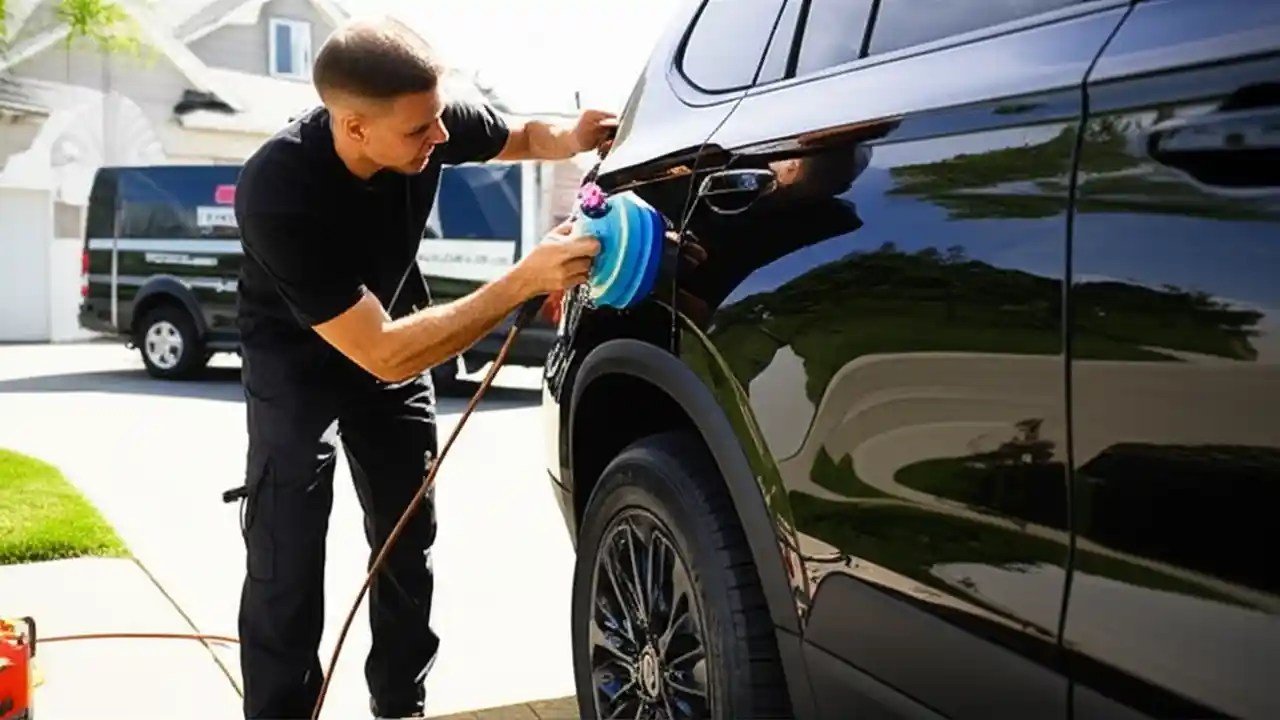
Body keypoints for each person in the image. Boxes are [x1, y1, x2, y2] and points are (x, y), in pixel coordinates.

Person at [230, 16, 610, 720]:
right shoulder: (277, 188)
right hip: (297, 363)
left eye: (439, 122)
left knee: (406, 536)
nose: (439, 139)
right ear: (353, 127)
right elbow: (382, 350)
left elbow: (522, 136)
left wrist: (575, 134)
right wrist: (521, 280)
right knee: (287, 551)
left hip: (395, 326)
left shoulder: (425, 115)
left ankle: (400, 704)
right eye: (420, 132)